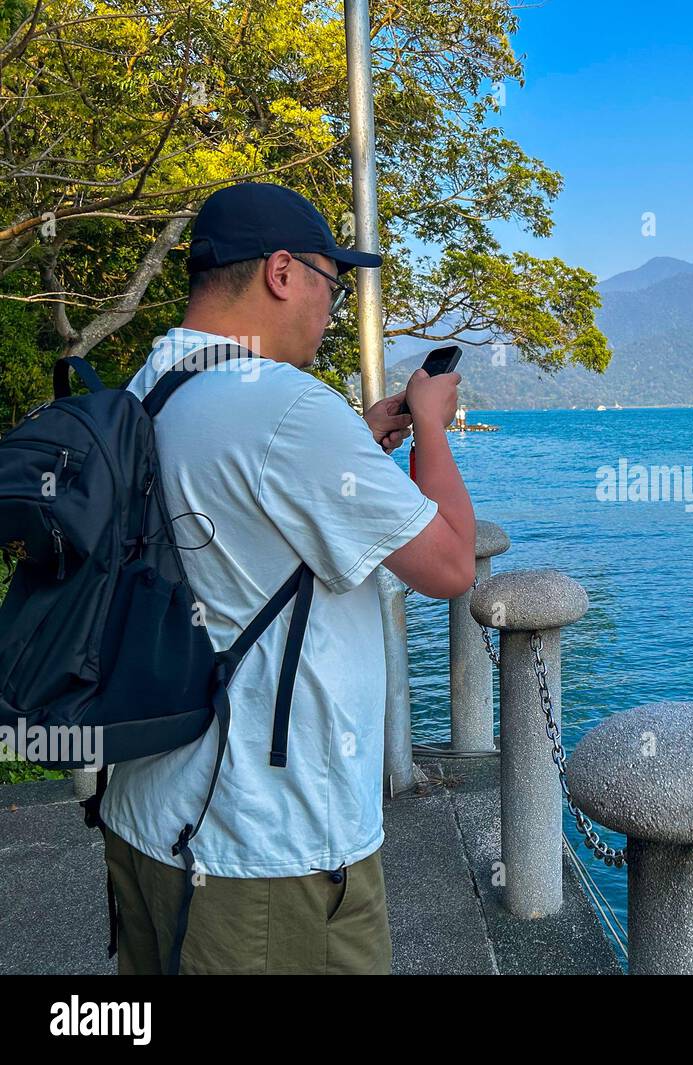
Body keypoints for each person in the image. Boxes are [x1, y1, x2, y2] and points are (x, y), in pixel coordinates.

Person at [97, 182, 476, 974]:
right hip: (266, 851)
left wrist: (359, 443)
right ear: (280, 272)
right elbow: (448, 563)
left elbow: (240, 528)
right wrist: (431, 430)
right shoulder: (286, 407)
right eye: (329, 283)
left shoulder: (150, 386)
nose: (332, 305)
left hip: (146, 818)